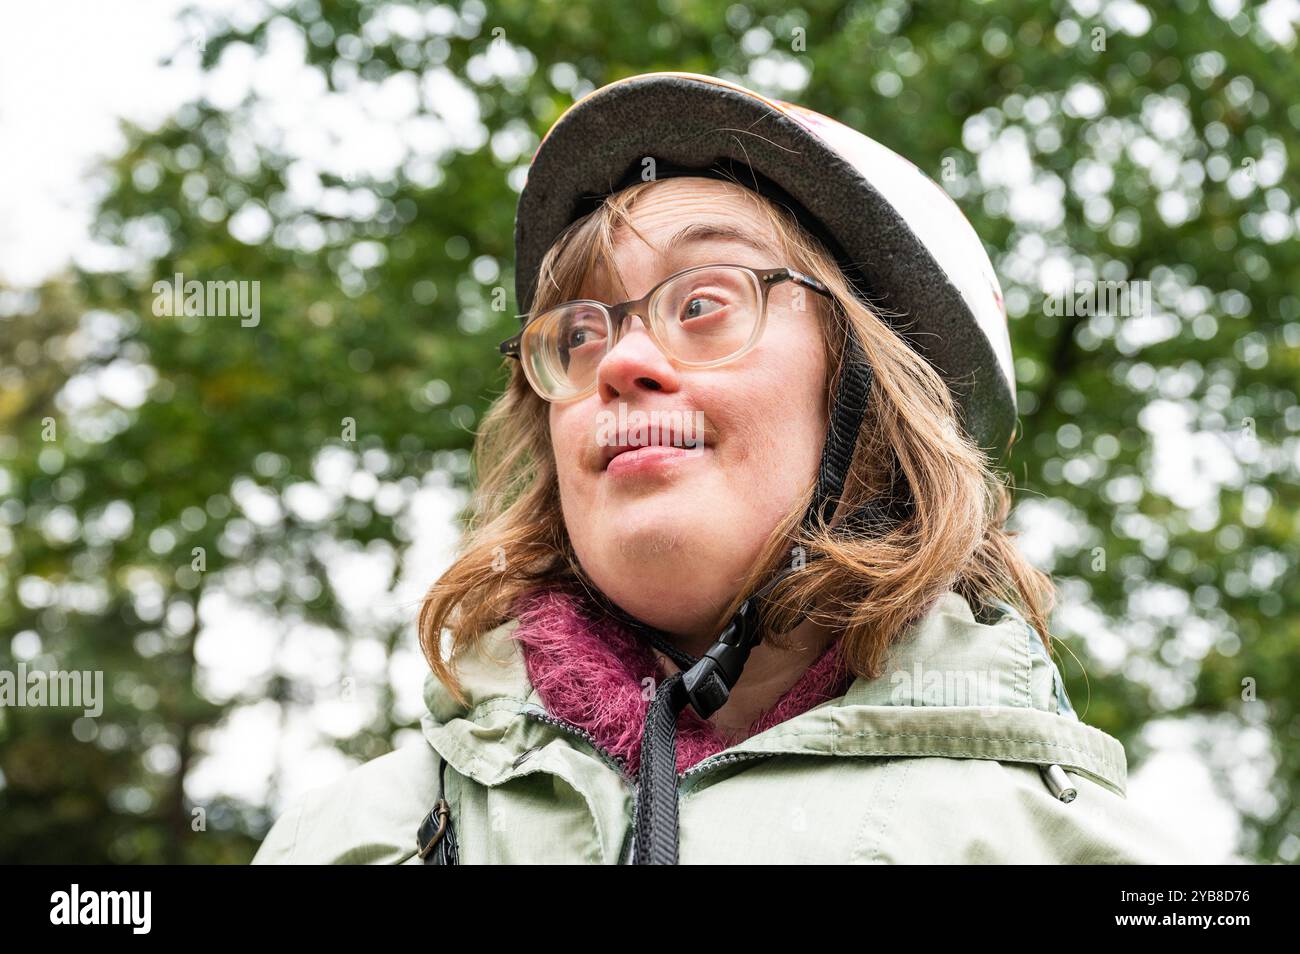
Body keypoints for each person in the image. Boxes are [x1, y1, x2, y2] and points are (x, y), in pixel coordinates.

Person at [253, 71, 1200, 864]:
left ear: (875, 393)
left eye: (703, 301)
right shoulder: (340, 841)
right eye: (579, 333)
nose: (618, 363)